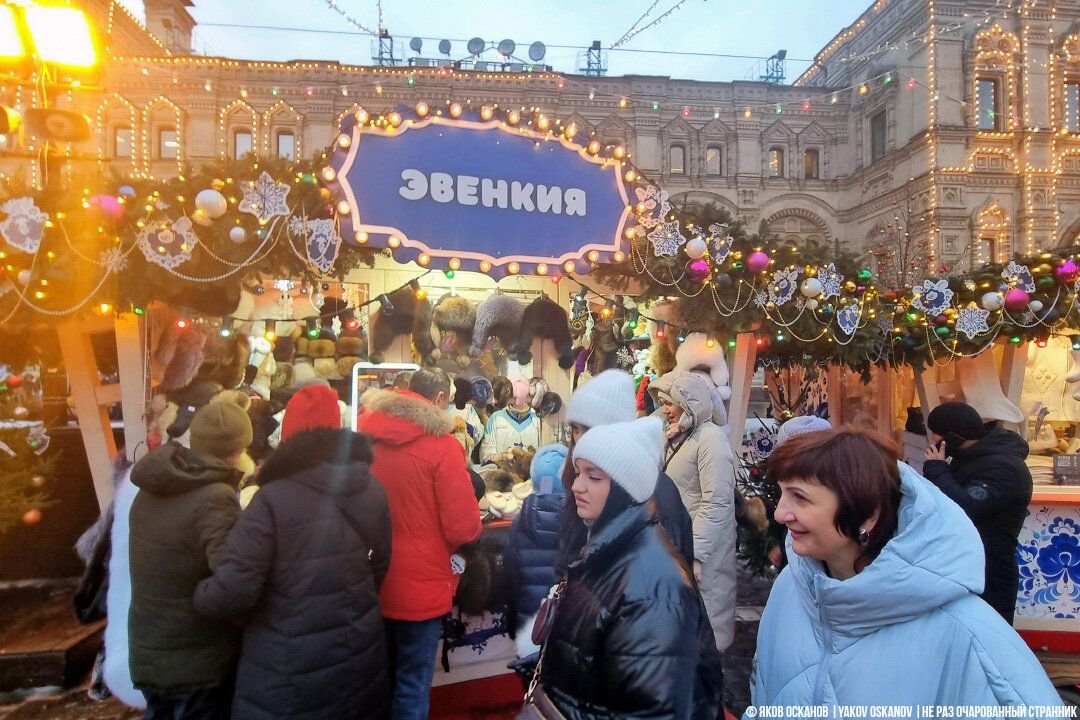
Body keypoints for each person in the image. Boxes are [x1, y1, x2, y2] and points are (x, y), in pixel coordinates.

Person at [750, 427, 1061, 710]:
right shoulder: (793, 586)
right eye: (782, 494)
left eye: (800, 498)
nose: (779, 514)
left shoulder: (966, 632)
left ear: (867, 513)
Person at [193, 427, 392, 720]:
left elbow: (233, 592)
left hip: (288, 664)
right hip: (359, 647)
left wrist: (197, 595)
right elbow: (381, 562)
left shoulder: (270, 500)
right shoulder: (373, 489)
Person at [540, 417, 723, 719]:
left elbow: (654, 707)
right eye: (578, 472)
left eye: (593, 477)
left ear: (624, 487)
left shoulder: (652, 586)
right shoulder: (608, 549)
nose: (576, 486)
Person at [358, 367, 483, 720]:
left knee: (377, 683)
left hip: (369, 579)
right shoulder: (443, 448)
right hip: (422, 588)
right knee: (412, 685)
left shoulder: (365, 438)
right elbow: (463, 527)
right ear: (438, 399)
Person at [128, 401, 253, 720]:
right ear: (239, 448)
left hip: (151, 647)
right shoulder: (215, 497)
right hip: (197, 657)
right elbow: (232, 577)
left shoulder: (152, 487)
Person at [554, 369, 694, 577]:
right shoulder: (579, 479)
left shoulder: (653, 490)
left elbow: (664, 578)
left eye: (590, 429)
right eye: (575, 429)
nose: (580, 440)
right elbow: (567, 556)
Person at [650, 369, 738, 652]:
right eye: (662, 402)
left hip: (704, 551)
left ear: (689, 402)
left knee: (707, 623)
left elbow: (718, 501)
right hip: (678, 545)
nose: (664, 409)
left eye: (669, 402)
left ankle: (710, 686)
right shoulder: (673, 435)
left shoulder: (710, 438)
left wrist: (696, 553)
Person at [923, 401, 1033, 623]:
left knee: (989, 636)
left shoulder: (1005, 468)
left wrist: (937, 469)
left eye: (936, 434)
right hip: (962, 564)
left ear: (953, 436)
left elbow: (968, 506)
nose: (933, 440)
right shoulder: (969, 457)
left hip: (990, 570)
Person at [503, 443, 568, 654]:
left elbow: (509, 567)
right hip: (565, 618)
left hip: (528, 616)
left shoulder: (521, 520)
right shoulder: (581, 519)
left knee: (530, 675)